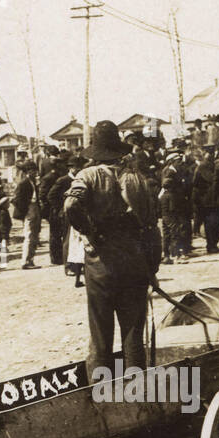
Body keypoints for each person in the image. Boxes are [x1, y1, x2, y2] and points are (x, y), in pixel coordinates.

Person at [64, 121, 160, 380]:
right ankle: (138, 397)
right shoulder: (136, 178)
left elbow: (71, 205)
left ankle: (101, 397)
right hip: (135, 261)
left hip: (101, 265)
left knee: (101, 336)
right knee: (133, 337)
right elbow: (152, 227)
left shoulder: (87, 176)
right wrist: (152, 268)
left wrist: (90, 231)